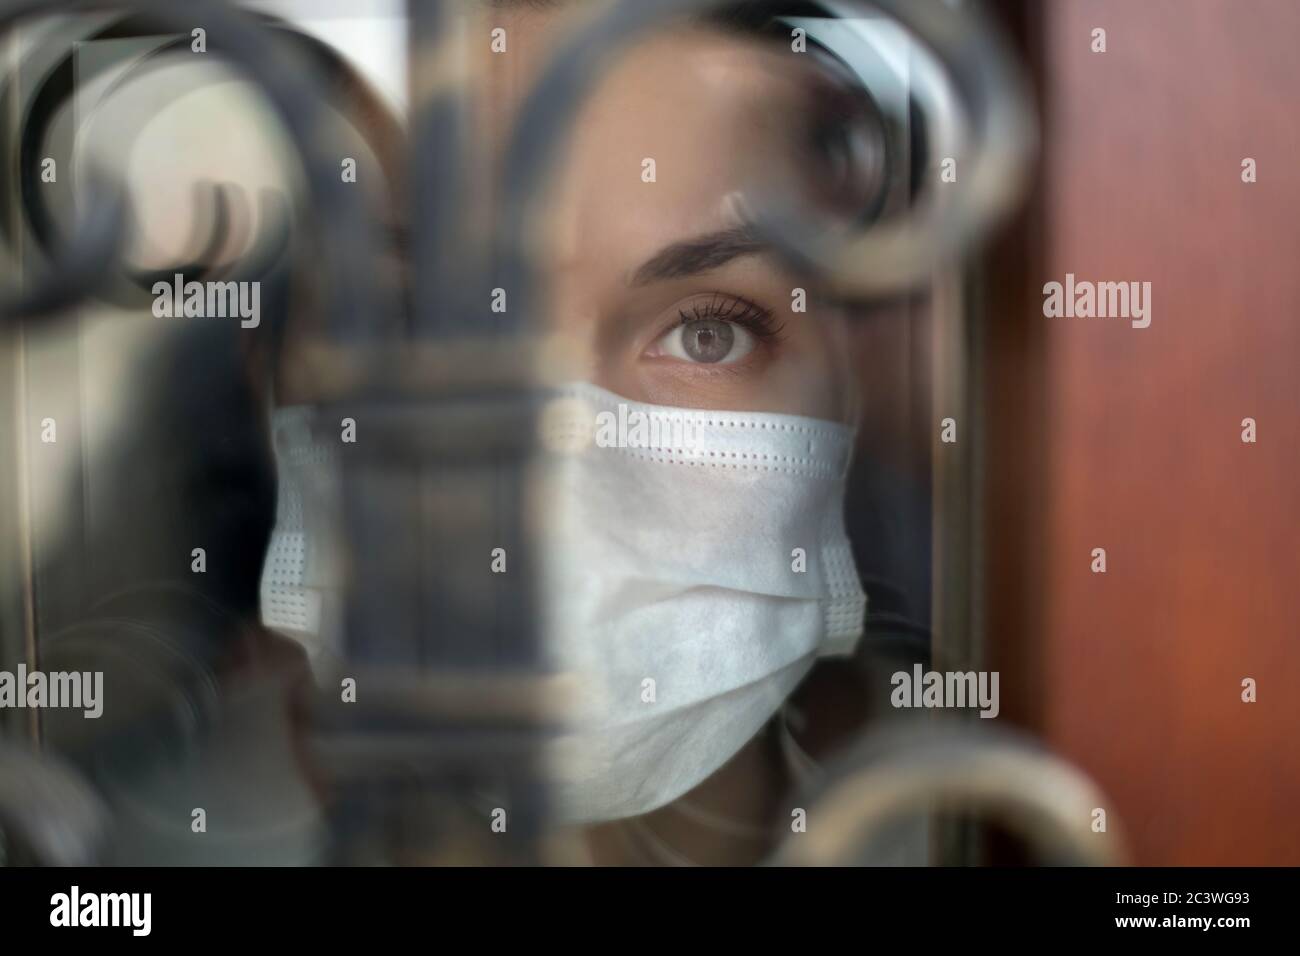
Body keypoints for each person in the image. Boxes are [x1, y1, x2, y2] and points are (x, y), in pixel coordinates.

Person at [265, 0, 898, 865]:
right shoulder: (95, 846)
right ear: (265, 368)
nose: (546, 497)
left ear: (862, 379)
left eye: (706, 334)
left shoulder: (994, 819)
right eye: (423, 320)